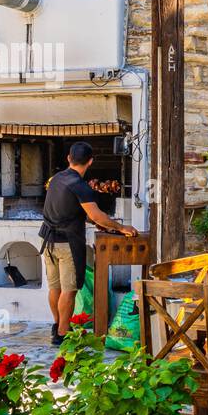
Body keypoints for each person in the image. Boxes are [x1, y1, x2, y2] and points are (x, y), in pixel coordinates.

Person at [40, 142, 136, 345]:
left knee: (54, 287)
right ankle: (62, 335)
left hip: (47, 240)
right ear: (90, 161)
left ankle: (57, 326)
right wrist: (120, 228)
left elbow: (69, 209)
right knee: (69, 290)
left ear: (69, 158)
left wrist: (94, 222)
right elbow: (97, 215)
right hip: (67, 243)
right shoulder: (80, 186)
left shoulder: (56, 179)